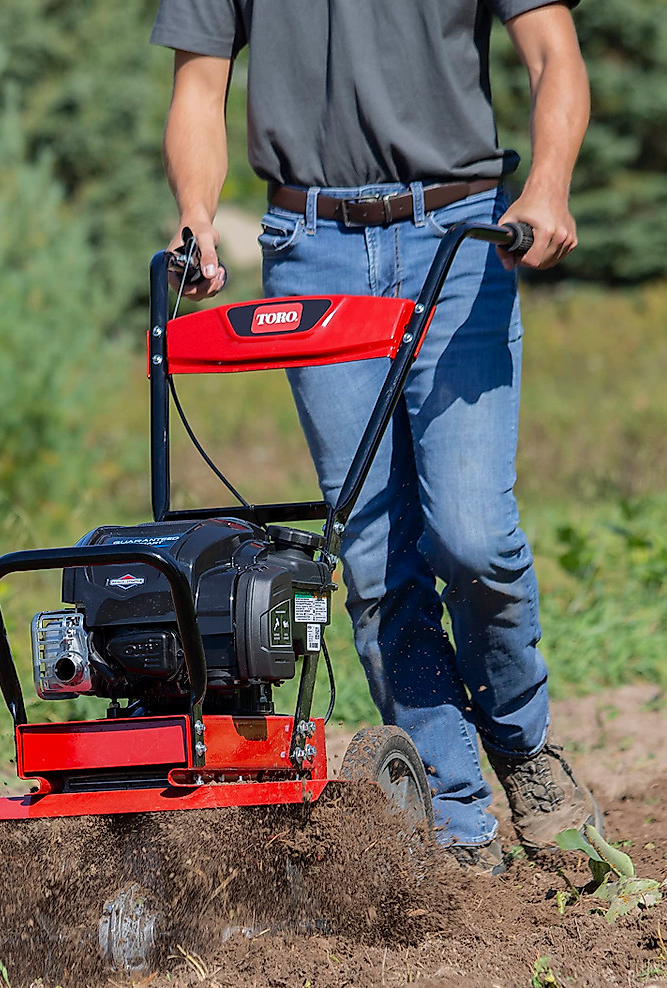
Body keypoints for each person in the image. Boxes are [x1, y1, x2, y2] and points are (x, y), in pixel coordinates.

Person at [151, 0, 600, 875]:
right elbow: (200, 87)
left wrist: (548, 183)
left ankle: (522, 747)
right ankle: (455, 820)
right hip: (309, 246)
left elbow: (553, 52)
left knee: (473, 537)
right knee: (374, 559)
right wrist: (196, 212)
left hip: (460, 235)